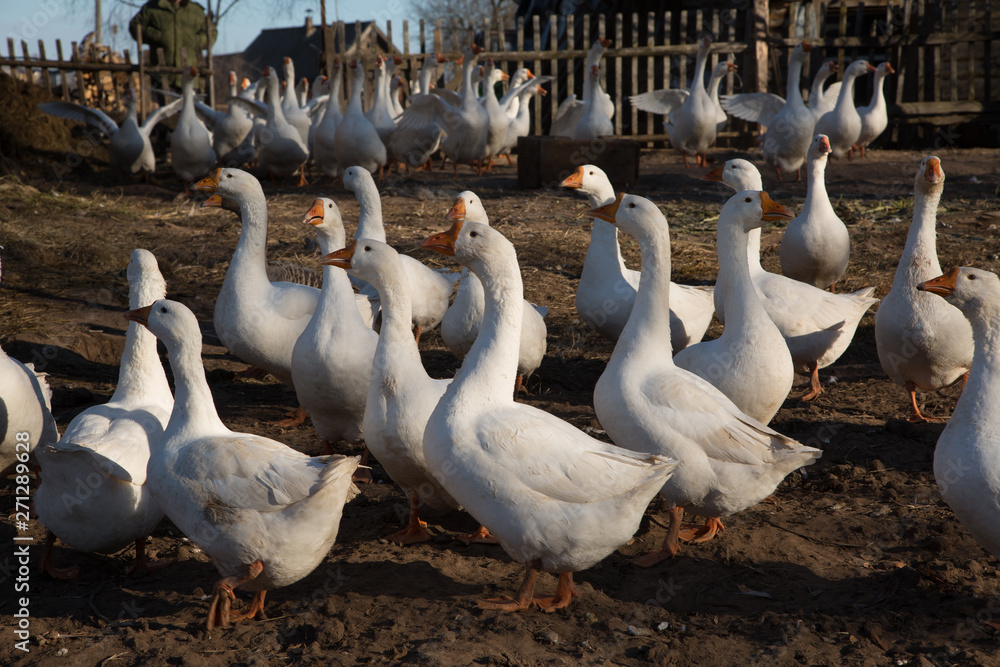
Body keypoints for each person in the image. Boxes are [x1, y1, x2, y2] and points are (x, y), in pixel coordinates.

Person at [129, 0, 216, 90]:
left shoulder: (195, 11)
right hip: (161, 77)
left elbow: (212, 33)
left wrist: (195, 41)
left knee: (189, 99)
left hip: (190, 79)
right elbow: (134, 26)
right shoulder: (152, 8)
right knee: (163, 98)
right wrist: (157, 36)